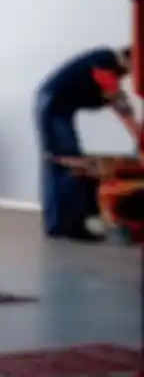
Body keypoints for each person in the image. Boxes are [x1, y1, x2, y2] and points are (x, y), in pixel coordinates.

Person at [35, 46, 138, 240]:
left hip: (57, 106)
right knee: (67, 163)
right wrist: (138, 134)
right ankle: (66, 226)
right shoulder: (106, 60)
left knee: (64, 163)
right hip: (54, 106)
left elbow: (115, 98)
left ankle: (64, 225)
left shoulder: (106, 64)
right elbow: (116, 99)